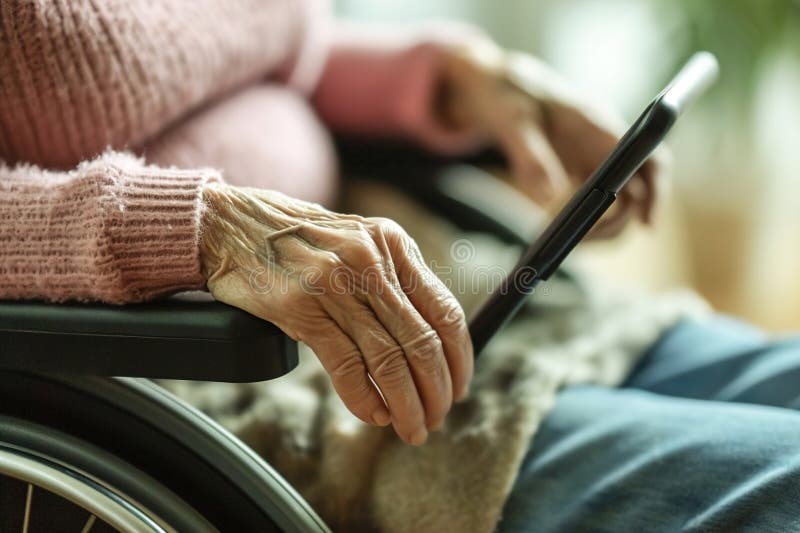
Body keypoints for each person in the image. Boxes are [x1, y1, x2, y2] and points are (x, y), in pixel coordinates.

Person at [3, 1, 796, 531]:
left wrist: (448, 82)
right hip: (197, 371)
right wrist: (193, 230)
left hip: (388, 265)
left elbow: (279, 48)